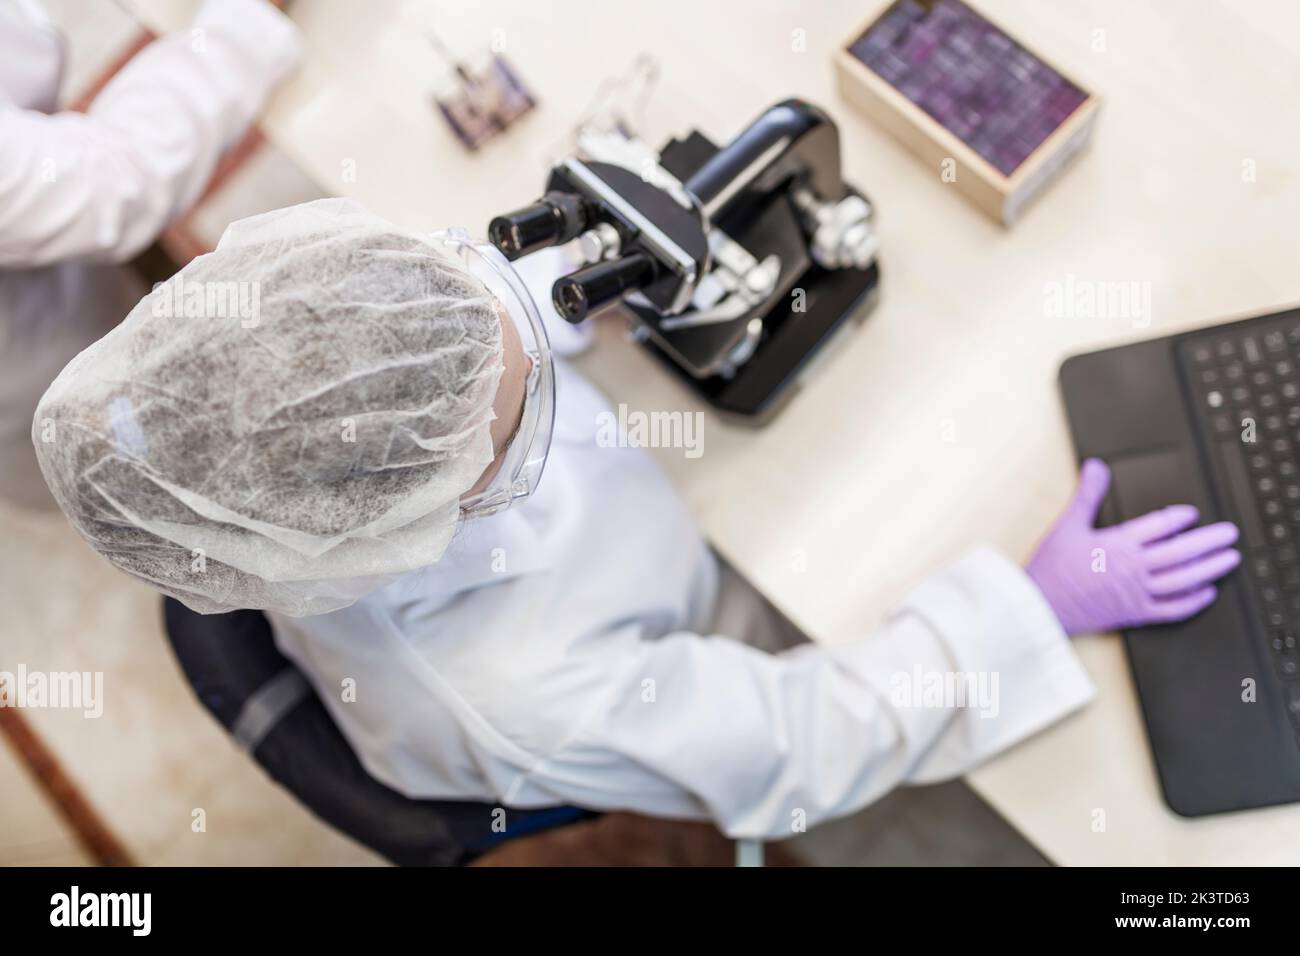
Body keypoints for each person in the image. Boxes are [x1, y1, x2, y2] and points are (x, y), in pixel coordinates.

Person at [31, 199, 1242, 841]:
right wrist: (1024, 609)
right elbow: (800, 744)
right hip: (717, 625)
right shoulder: (526, 697)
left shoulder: (281, 425)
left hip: (635, 528)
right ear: (423, 498)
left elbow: (417, 347)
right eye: (514, 401)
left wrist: (568, 291)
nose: (521, 337)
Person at [0, 0, 299, 507]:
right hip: (47, 370)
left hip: (57, 283)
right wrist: (243, 20)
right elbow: (118, 182)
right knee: (158, 466)